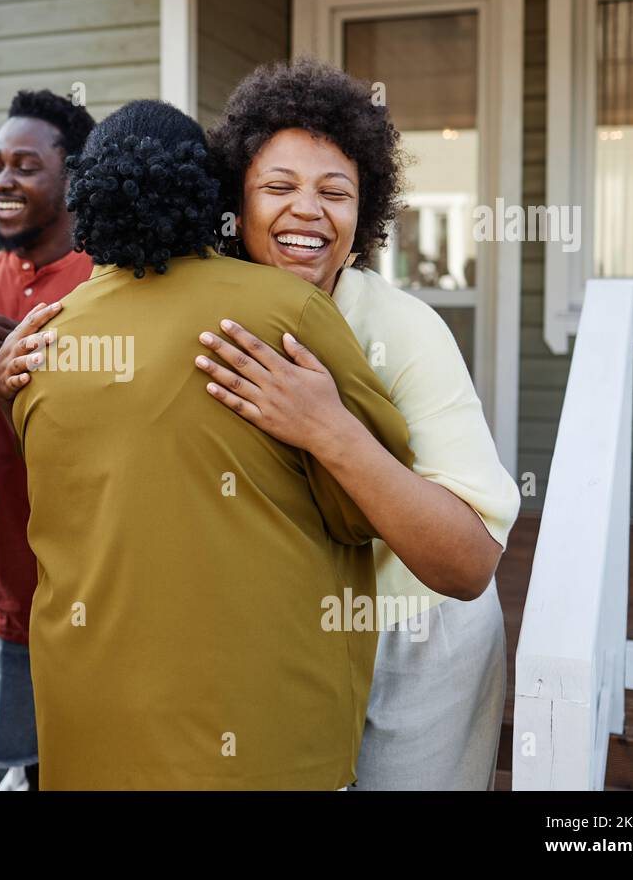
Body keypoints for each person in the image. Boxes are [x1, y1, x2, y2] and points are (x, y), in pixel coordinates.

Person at [0, 100, 413, 789]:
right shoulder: (288, 310)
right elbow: (369, 506)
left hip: (87, 734)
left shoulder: (41, 340)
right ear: (214, 195)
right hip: (265, 741)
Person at [200, 58, 521, 789]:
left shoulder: (406, 331)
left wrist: (331, 429)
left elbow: (468, 563)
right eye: (278, 187)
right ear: (235, 203)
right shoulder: (206, 309)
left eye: (335, 192)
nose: (308, 210)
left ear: (363, 212)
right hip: (280, 637)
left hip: (415, 636)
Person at [0, 89, 94, 789]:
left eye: (25, 165)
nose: (2, 180)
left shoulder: (107, 283)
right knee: (33, 775)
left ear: (74, 176)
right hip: (19, 592)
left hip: (113, 591)